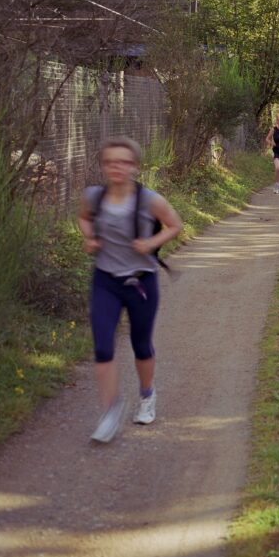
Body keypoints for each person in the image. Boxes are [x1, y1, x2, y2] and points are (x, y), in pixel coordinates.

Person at [78, 136, 183, 443]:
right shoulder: (93, 196)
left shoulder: (150, 199)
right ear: (103, 166)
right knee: (102, 346)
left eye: (124, 162)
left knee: (141, 344)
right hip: (105, 281)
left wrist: (150, 243)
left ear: (135, 166)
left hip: (141, 282)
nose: (117, 168)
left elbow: (176, 225)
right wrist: (90, 238)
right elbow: (84, 219)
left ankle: (147, 396)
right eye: (110, 162)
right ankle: (111, 410)